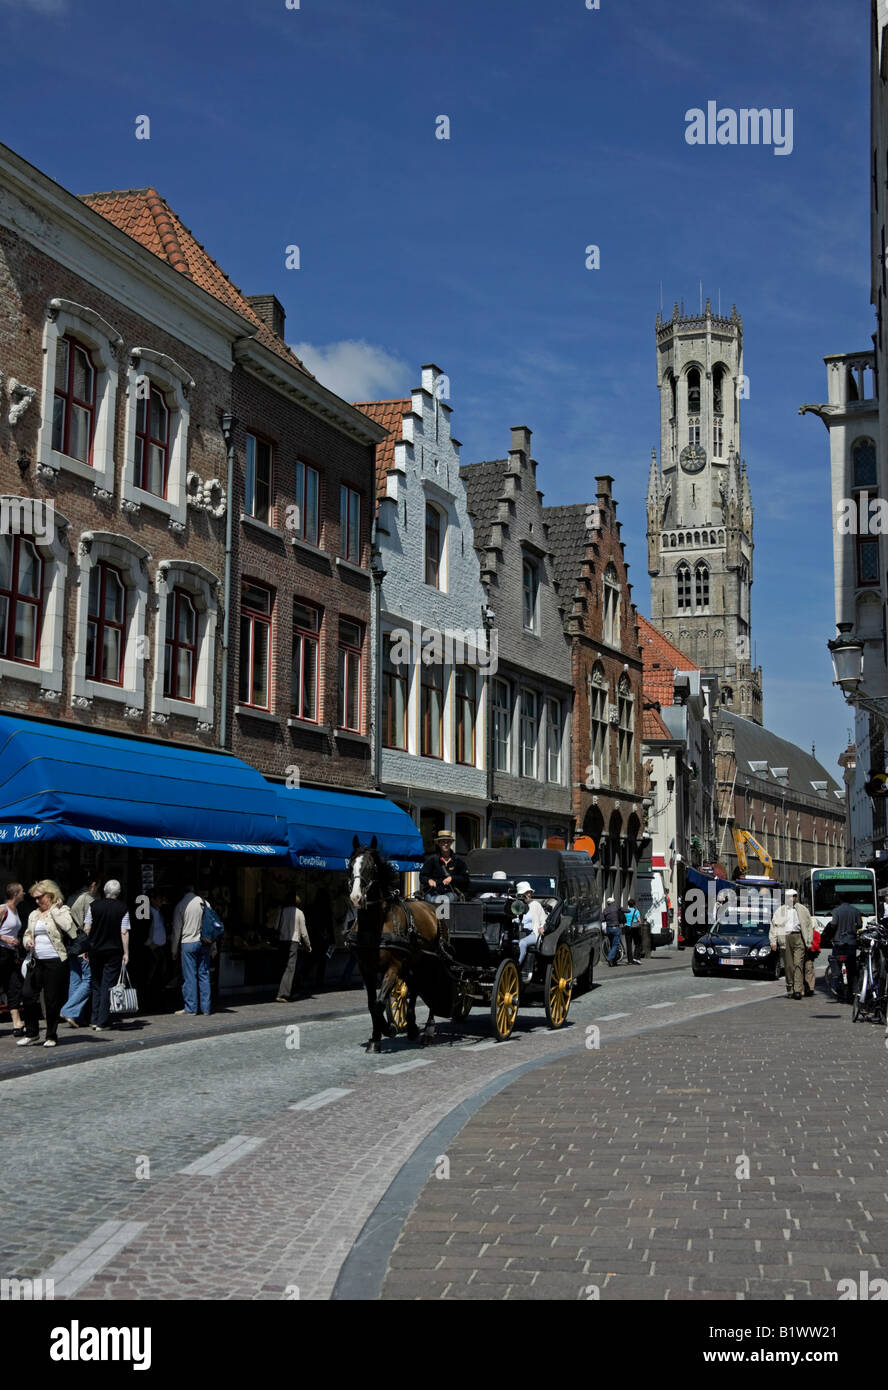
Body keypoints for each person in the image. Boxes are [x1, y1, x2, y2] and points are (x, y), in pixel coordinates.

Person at [18, 880, 78, 1047]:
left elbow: (68, 926)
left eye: (39, 897)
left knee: (51, 1000)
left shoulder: (62, 910)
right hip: (36, 960)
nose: (37, 901)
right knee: (27, 995)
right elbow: (27, 934)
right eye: (35, 898)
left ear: (50, 895)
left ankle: (51, 1035)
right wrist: (28, 942)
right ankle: (32, 1033)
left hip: (55, 960)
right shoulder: (34, 914)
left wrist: (55, 910)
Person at [84, 880, 130, 1031]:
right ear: (118, 892)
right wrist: (126, 952)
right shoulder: (123, 908)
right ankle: (102, 1021)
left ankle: (94, 1018)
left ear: (104, 891)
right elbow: (124, 931)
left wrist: (84, 948)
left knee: (96, 983)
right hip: (114, 950)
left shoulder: (94, 906)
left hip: (95, 949)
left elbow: (87, 928)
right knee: (107, 984)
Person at [60, 875, 98, 1028]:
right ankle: (69, 1010)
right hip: (83, 944)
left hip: (72, 944)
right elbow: (90, 923)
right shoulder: (87, 899)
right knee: (88, 979)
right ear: (93, 885)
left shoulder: (70, 898)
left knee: (75, 979)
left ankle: (76, 1017)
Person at [171, 882, 212, 1016]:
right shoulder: (205, 903)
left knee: (189, 976)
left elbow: (177, 930)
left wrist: (174, 950)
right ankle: (206, 1008)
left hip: (188, 942)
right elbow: (211, 925)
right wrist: (214, 947)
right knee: (204, 975)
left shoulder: (181, 905)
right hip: (205, 942)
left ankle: (191, 1008)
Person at [769, 888, 814, 1000]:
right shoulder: (780, 910)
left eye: (794, 896)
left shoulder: (803, 909)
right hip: (785, 938)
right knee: (789, 966)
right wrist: (773, 941)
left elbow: (809, 926)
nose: (792, 898)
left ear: (796, 897)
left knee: (798, 963)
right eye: (789, 896)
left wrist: (809, 941)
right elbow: (774, 926)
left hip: (799, 937)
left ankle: (798, 990)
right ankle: (790, 988)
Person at [819, 896, 863, 1000]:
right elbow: (860, 925)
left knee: (837, 966)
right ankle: (851, 990)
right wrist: (852, 928)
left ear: (840, 901)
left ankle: (838, 988)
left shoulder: (836, 911)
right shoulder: (855, 910)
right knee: (851, 967)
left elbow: (833, 924)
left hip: (838, 941)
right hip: (851, 942)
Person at [0, 882, 27, 1036]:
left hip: (11, 954)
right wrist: (7, 939)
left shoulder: (15, 910)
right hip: (1, 952)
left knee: (14, 986)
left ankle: (17, 1023)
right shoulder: (3, 909)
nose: (24, 893)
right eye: (22, 891)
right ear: (16, 893)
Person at [276, 894, 311, 1002]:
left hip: (282, 940)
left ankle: (287, 991)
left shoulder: (282, 911)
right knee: (291, 967)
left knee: (284, 966)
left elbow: (276, 926)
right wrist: (308, 944)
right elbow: (304, 932)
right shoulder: (299, 913)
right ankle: (283, 993)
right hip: (294, 941)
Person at [420, 832, 471, 905]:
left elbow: (465, 878)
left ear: (451, 843)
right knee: (432, 899)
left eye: (448, 842)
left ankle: (442, 916)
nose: (446, 844)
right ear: (439, 843)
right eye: (443, 842)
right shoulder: (431, 859)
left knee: (445, 900)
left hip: (451, 892)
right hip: (433, 892)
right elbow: (422, 876)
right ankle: (437, 916)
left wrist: (452, 878)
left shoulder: (458, 860)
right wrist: (429, 880)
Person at [515, 881, 548, 980]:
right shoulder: (516, 905)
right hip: (518, 932)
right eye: (526, 892)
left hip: (533, 933)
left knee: (523, 943)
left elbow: (544, 919)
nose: (529, 894)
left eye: (529, 892)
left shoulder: (535, 905)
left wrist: (542, 927)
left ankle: (517, 966)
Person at [603, 896, 623, 967]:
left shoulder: (605, 910)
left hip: (608, 928)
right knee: (615, 945)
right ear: (613, 902)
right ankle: (610, 957)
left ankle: (613, 962)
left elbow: (602, 919)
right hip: (616, 928)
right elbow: (627, 911)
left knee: (612, 944)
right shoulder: (616, 908)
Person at [624, 898, 643, 964]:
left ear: (628, 905)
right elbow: (639, 920)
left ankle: (630, 960)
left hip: (627, 927)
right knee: (637, 943)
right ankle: (636, 957)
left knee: (628, 944)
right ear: (634, 904)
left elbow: (623, 919)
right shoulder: (636, 911)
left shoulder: (626, 911)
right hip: (635, 928)